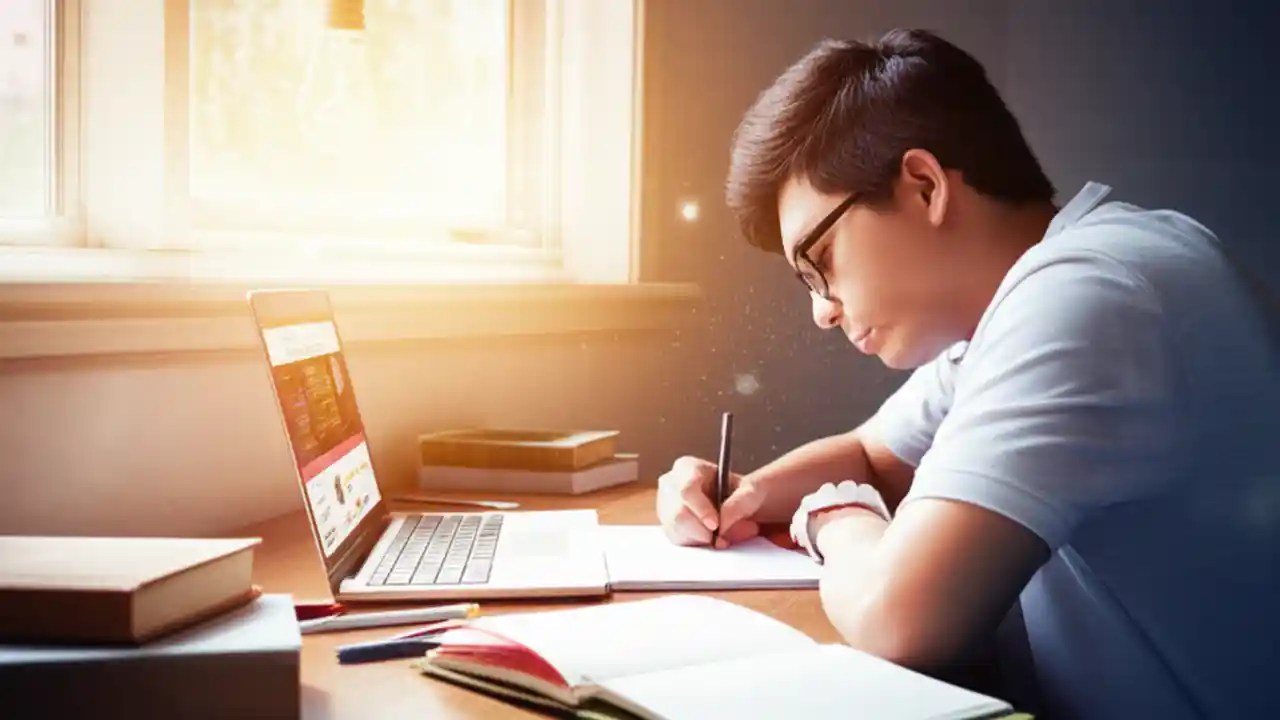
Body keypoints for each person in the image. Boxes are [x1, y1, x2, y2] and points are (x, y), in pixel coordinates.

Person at [656, 28, 1279, 719]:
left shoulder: (1085, 298)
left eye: (820, 262)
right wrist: (743, 494)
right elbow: (871, 456)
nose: (822, 311)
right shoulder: (1051, 287)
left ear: (924, 186)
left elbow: (899, 621)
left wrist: (831, 516)